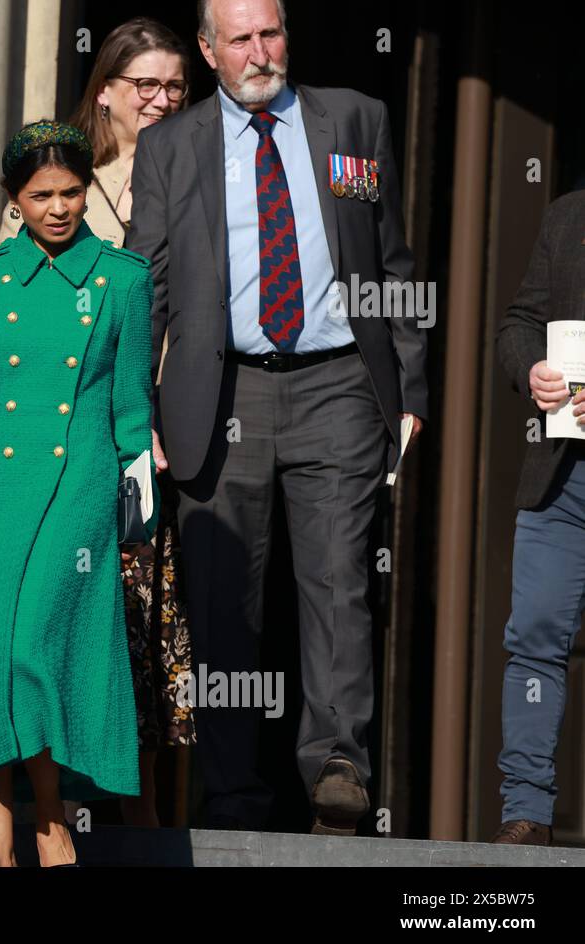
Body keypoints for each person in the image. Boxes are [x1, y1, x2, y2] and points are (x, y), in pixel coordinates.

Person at [126, 0, 428, 833]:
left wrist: (409, 389)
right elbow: (144, 288)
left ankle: (339, 766)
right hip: (224, 394)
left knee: (339, 583)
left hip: (339, 386)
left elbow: (391, 258)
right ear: (207, 48)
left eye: (273, 32)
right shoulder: (170, 147)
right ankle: (230, 794)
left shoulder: (354, 121)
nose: (262, 52)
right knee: (226, 603)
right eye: (242, 39)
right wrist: (134, 411)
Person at [0, 121, 156, 866]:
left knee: (30, 652)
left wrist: (138, 506)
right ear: (15, 201)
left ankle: (52, 825)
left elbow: (130, 410)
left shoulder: (124, 279)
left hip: (76, 486)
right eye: (40, 195)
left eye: (72, 191)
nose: (59, 207)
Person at [491, 190, 585, 846]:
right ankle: (526, 815)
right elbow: (518, 323)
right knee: (535, 637)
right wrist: (533, 369)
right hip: (563, 474)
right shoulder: (568, 215)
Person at [0, 18, 190, 249]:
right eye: (146, 84)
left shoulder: (194, 170)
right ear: (102, 91)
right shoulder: (58, 162)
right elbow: (4, 270)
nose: (163, 101)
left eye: (173, 87)